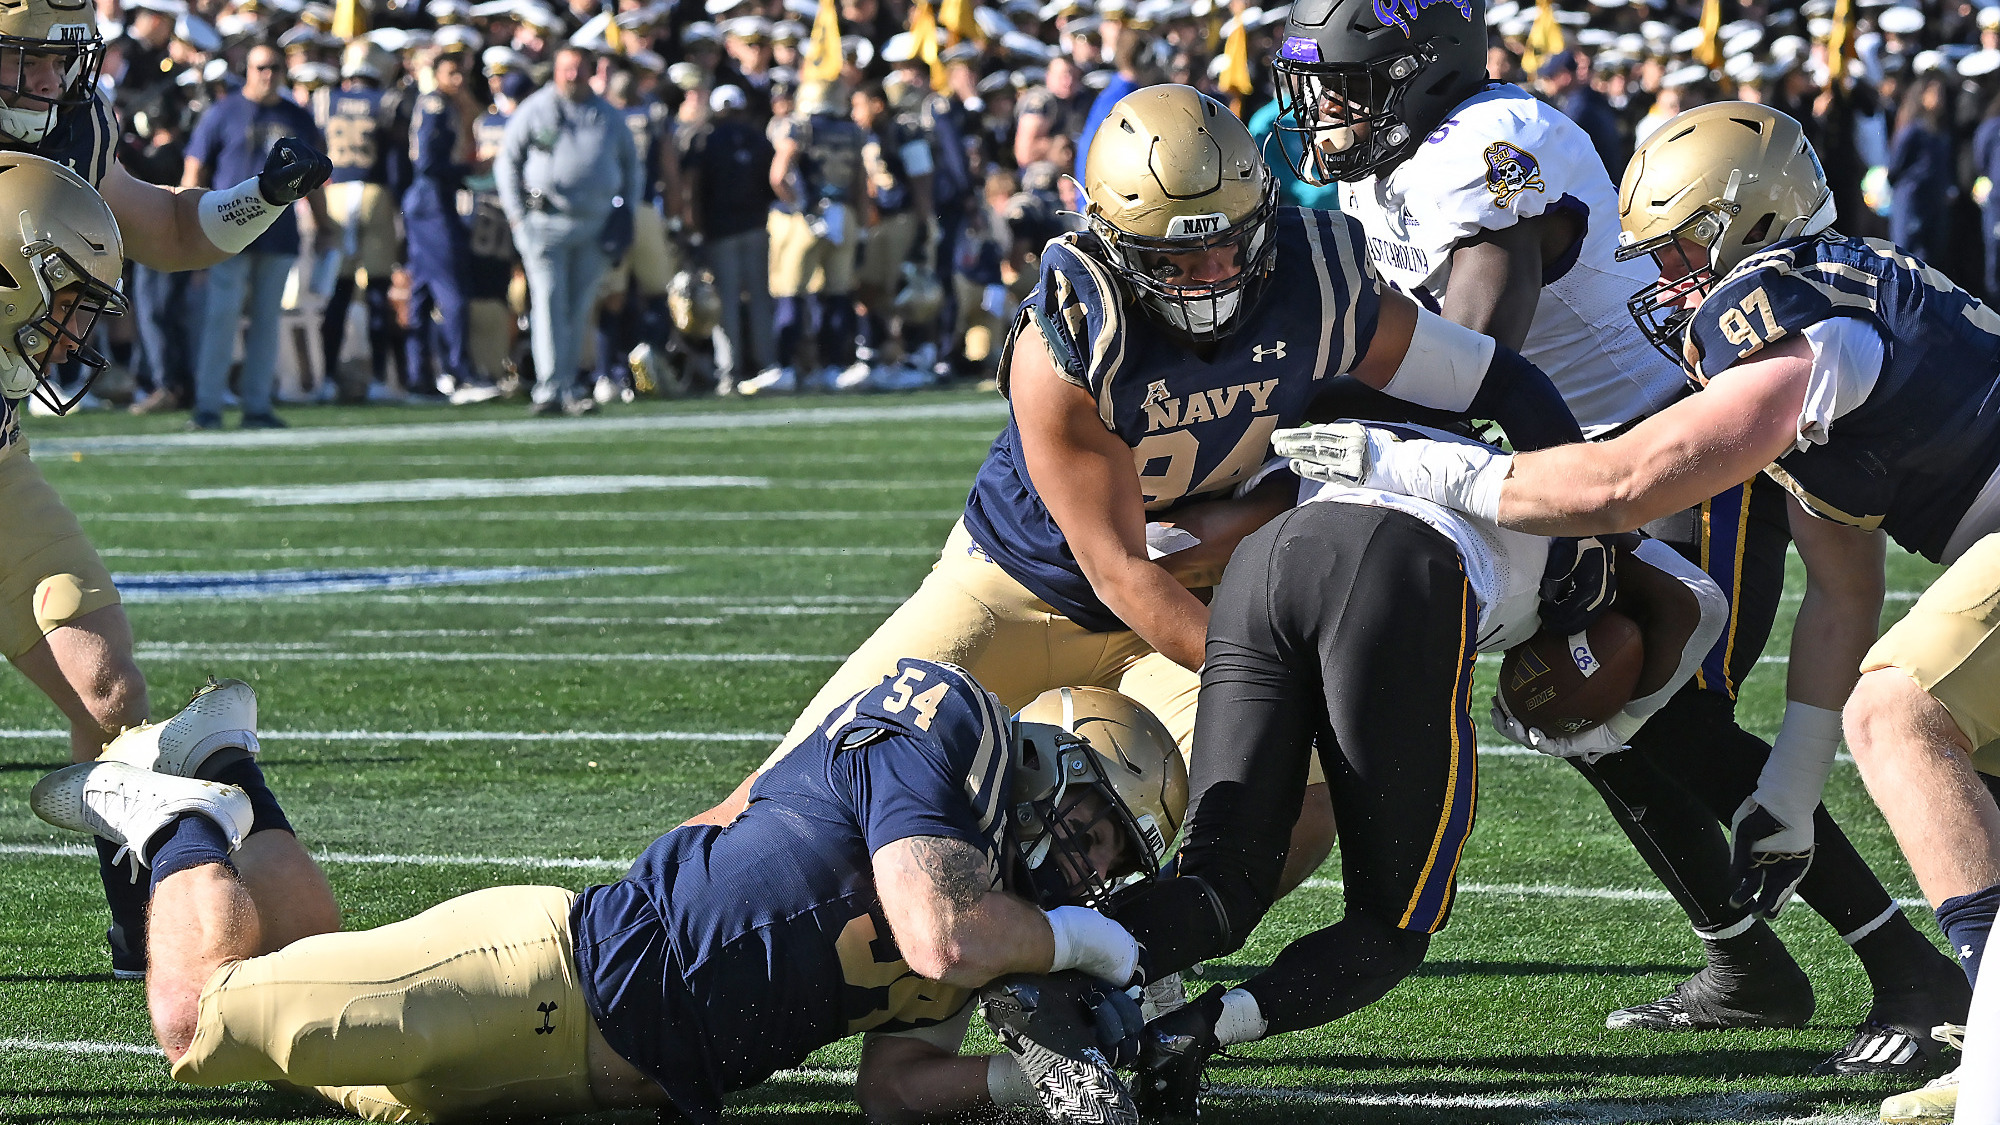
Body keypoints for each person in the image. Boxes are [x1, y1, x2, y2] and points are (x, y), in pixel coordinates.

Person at [1270, 0, 1967, 1074]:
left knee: (1669, 711)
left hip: (1687, 442)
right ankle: (1743, 958)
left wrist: (1349, 437)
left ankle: (1910, 970)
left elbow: (1474, 351)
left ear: (1420, 73)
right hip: (1584, 456)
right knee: (1582, 706)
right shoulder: (1383, 168)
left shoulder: (1493, 142)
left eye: (1348, 86)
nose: (1326, 111)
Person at [685, 85, 1585, 904]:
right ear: (1113, 242)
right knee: (794, 791)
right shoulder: (1070, 338)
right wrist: (1267, 676)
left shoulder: (1314, 284)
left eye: (1230, 244)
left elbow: (1494, 381)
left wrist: (1579, 541)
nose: (1213, 276)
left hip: (1203, 593)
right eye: (1177, 258)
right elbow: (1120, 569)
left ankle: (1122, 960)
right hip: (1019, 589)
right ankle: (656, 927)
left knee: (1301, 801)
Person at [29, 667, 1187, 1125]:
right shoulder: (943, 729)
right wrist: (1081, 944)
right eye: (1091, 826)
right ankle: (178, 816)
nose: (1086, 867)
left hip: (587, 1084)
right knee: (197, 1021)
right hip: (546, 978)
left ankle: (225, 761)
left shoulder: (998, 914)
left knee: (302, 995)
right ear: (1048, 760)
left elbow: (893, 1090)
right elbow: (936, 934)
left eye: (1109, 862)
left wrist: (1029, 1084)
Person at [1073, 436, 1727, 1119]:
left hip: (1265, 560)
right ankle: (1196, 1029)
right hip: (1403, 571)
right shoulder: (1582, 510)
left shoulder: (1423, 438)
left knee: (1217, 882)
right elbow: (1697, 601)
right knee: (1392, 925)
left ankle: (1043, 969)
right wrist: (1609, 730)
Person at [182, 44, 334, 431]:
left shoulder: (296, 117)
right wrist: (187, 223)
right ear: (246, 70)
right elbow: (194, 170)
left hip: (278, 233)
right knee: (221, 318)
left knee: (267, 322)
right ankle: (208, 405)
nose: (268, 74)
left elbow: (314, 179)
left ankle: (257, 404)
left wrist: (325, 225)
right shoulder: (223, 111)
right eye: (261, 67)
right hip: (225, 231)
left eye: (275, 67)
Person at [496, 43, 641, 416]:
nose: (572, 75)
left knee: (579, 308)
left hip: (594, 225)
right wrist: (517, 216)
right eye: (566, 68)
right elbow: (507, 162)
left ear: (591, 71)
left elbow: (632, 167)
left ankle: (570, 384)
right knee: (548, 301)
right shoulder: (535, 109)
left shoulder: (607, 115)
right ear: (555, 70)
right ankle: (549, 387)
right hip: (544, 223)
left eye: (579, 68)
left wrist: (626, 212)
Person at [746, 77, 866, 395]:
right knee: (837, 293)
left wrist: (803, 206)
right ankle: (833, 366)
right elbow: (860, 184)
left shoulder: (798, 126)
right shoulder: (852, 131)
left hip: (802, 218)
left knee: (790, 293)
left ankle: (785, 366)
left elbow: (778, 175)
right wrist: (861, 227)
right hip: (843, 215)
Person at [315, 41, 408, 405]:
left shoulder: (325, 100)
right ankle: (379, 379)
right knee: (377, 292)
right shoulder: (387, 101)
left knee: (338, 293)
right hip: (375, 195)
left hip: (336, 196)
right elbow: (397, 163)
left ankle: (326, 379)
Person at [681, 83, 777, 395]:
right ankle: (767, 365)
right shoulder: (758, 138)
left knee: (726, 303)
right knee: (760, 299)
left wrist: (694, 229)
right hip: (755, 227)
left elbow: (692, 187)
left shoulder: (705, 139)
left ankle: (729, 372)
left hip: (720, 231)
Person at [401, 46, 484, 402]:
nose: (459, 80)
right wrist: (469, 169)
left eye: (462, 73)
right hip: (432, 203)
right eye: (452, 73)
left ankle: (418, 375)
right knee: (452, 291)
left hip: (425, 202)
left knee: (421, 293)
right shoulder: (435, 105)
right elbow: (428, 164)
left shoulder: (444, 104)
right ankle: (459, 371)